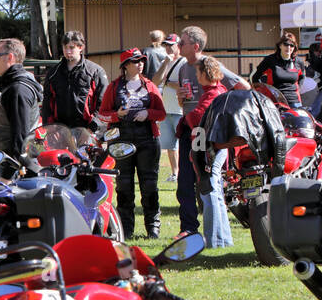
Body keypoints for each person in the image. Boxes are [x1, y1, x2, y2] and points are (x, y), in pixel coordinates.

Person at [168, 25, 249, 234]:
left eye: (182, 42)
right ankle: (188, 228)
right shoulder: (183, 67)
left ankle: (217, 232)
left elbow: (243, 87)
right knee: (184, 181)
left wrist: (228, 114)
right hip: (189, 129)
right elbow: (184, 98)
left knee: (208, 181)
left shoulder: (210, 66)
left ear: (195, 46)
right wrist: (181, 98)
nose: (178, 46)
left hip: (206, 133)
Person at [98, 49, 165, 239]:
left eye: (142, 61)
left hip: (147, 140)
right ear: (125, 65)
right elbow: (102, 113)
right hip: (121, 140)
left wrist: (148, 114)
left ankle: (153, 228)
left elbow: (161, 113)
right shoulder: (114, 87)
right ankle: (126, 229)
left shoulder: (150, 85)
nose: (140, 64)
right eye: (135, 61)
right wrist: (116, 115)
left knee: (150, 185)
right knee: (124, 185)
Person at [179, 56, 231, 248]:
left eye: (198, 72)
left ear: (205, 73)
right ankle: (222, 239)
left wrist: (187, 117)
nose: (196, 76)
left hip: (210, 148)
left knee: (209, 193)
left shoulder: (213, 93)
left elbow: (198, 117)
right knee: (213, 192)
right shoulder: (218, 91)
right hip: (215, 146)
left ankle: (214, 240)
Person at [0, 38, 43, 164]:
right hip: (11, 161)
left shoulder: (18, 90)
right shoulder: (14, 85)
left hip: (14, 166)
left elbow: (20, 137)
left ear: (10, 57)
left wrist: (7, 175)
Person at [42, 30, 108, 131]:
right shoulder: (53, 73)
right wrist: (50, 128)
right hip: (60, 132)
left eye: (71, 47)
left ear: (80, 47)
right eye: (65, 47)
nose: (68, 51)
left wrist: (92, 128)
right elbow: (47, 105)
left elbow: (103, 103)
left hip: (87, 130)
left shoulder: (95, 71)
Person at [151, 33, 184, 182]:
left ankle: (185, 172)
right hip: (167, 109)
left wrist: (169, 83)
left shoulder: (184, 63)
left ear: (179, 46)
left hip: (180, 109)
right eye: (166, 45)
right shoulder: (166, 62)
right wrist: (165, 63)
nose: (169, 48)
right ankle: (175, 173)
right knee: (170, 145)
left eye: (171, 45)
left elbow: (185, 85)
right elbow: (155, 81)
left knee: (182, 144)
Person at [251, 32, 304, 109]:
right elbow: (254, 77)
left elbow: (302, 77)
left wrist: (298, 88)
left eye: (292, 45)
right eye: (286, 44)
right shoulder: (270, 60)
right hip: (275, 103)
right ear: (280, 46)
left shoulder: (298, 62)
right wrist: (263, 92)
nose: (288, 47)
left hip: (295, 102)